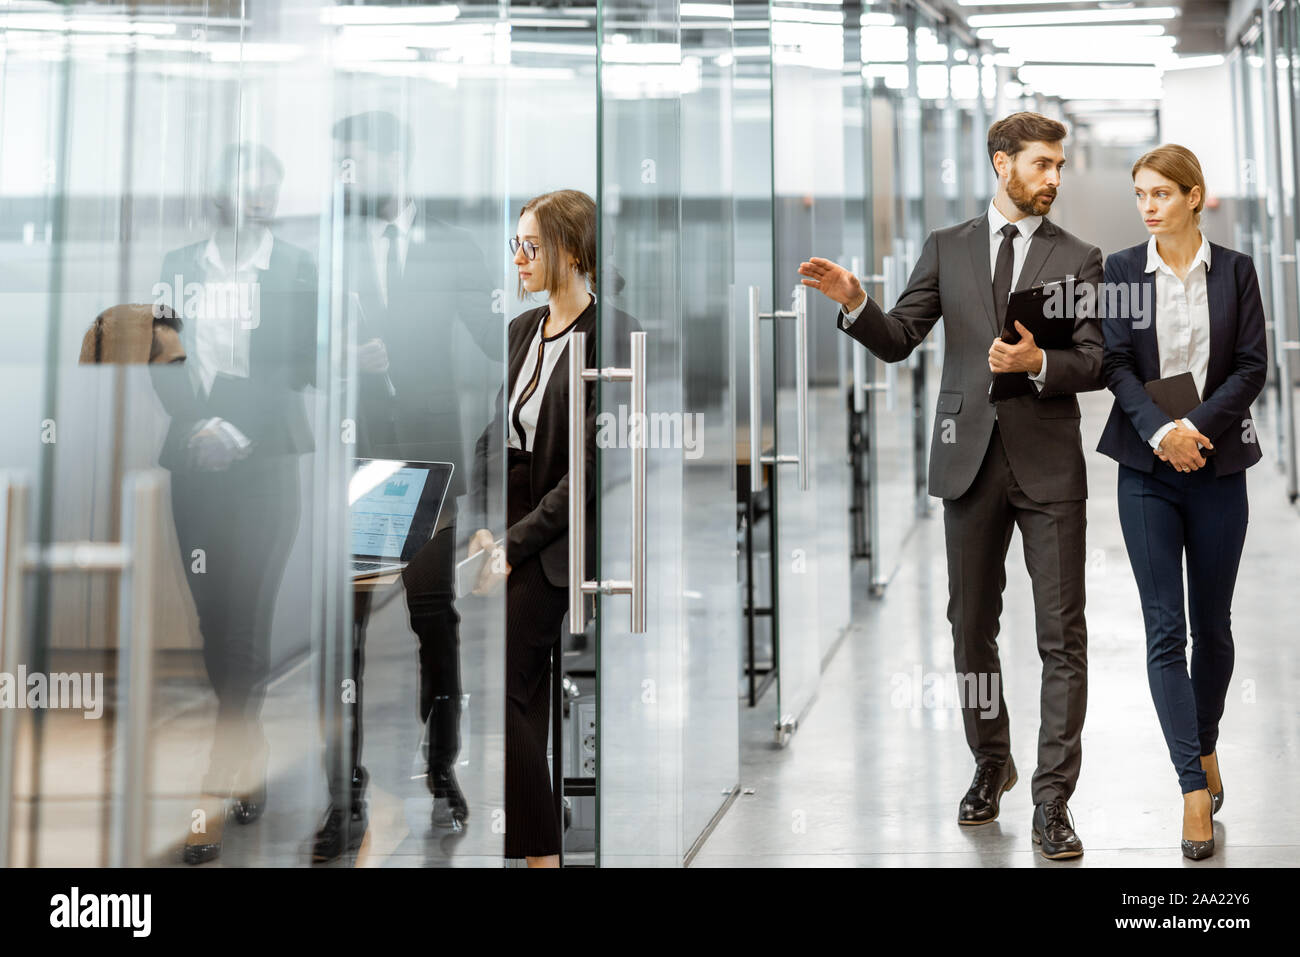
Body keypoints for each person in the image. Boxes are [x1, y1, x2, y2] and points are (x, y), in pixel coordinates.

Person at [798, 112, 1104, 860]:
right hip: (966, 458)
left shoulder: (1080, 257)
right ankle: (990, 760)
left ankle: (1052, 799)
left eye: (1059, 166)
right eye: (1041, 165)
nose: (1053, 179)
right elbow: (901, 338)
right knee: (971, 627)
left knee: (1061, 635)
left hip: (1049, 465)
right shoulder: (948, 248)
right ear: (1002, 163)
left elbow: (1094, 359)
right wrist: (854, 303)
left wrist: (1037, 363)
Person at [314, 111, 498, 862]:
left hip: (427, 460)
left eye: (355, 164)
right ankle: (344, 794)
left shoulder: (452, 248)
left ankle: (443, 767)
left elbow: (497, 340)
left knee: (433, 617)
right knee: (345, 632)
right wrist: (340, 356)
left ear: (394, 162)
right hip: (360, 459)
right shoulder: (335, 246)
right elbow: (298, 346)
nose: (346, 179)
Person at [1096, 144, 1268, 861]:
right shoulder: (1122, 272)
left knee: (1214, 628)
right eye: (1141, 194)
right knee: (1166, 629)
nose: (1148, 206)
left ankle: (1205, 743)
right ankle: (1192, 787)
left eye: (1162, 193)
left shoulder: (1234, 270)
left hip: (1219, 465)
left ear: (1195, 196)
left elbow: (1254, 365)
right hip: (1145, 468)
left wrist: (1195, 429)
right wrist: (1163, 431)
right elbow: (1114, 361)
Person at [149, 142, 318, 864]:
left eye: (270, 186)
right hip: (195, 461)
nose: (262, 196)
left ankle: (219, 781)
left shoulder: (296, 268)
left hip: (267, 464)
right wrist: (199, 423)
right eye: (250, 184)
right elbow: (161, 357)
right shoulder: (178, 267)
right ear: (221, 190)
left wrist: (241, 428)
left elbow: (300, 365)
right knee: (213, 622)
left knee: (245, 621)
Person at [467, 189, 631, 867]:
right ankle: (540, 855)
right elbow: (488, 440)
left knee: (499, 692)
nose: (518, 259)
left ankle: (544, 856)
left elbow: (586, 473)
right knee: (522, 696)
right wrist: (482, 528)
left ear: (569, 251)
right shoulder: (519, 331)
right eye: (515, 245)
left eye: (530, 246)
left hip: (556, 542)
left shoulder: (608, 332)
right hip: (506, 530)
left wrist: (515, 543)